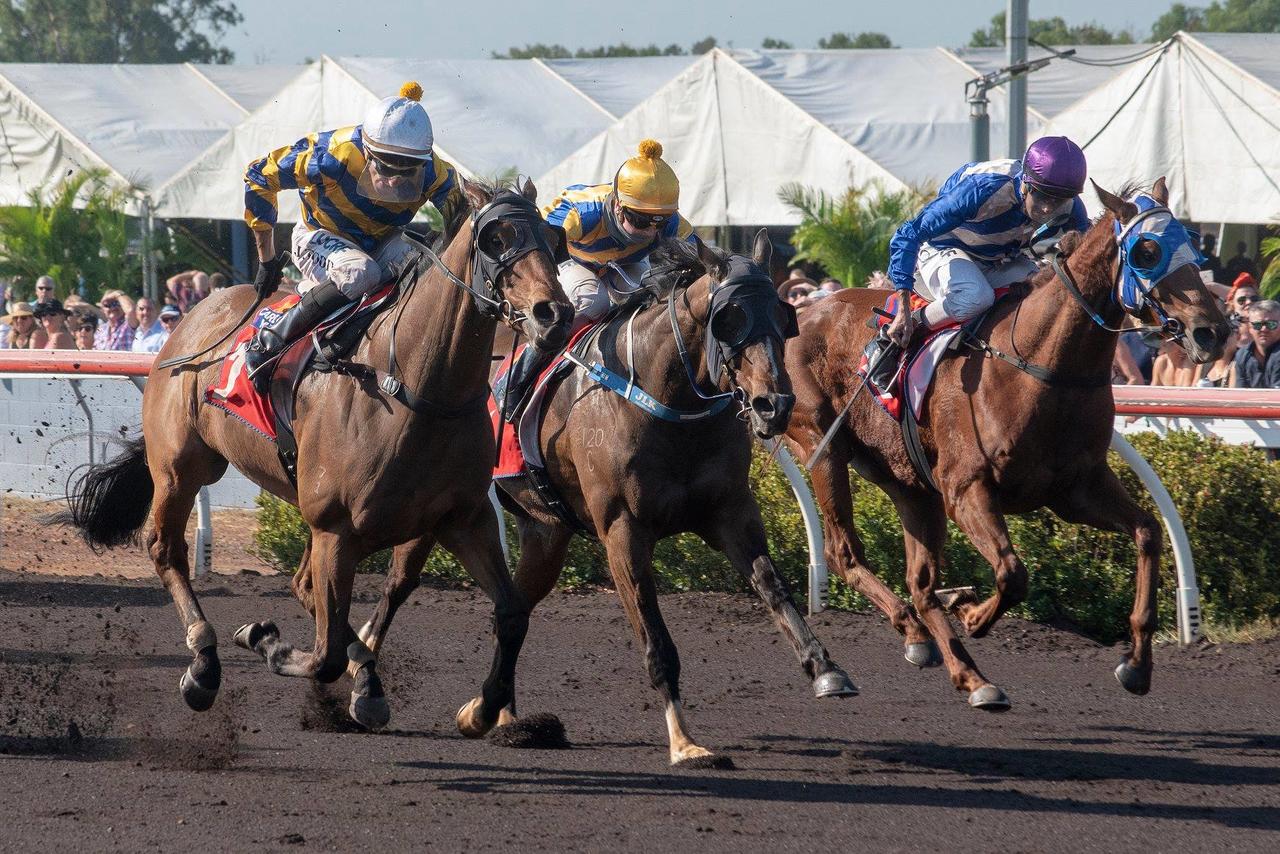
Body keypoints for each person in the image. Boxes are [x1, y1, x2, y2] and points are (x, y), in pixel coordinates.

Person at [240, 80, 463, 392]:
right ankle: (270, 340)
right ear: (367, 150)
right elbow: (259, 175)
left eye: (408, 168)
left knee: (429, 267)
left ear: (423, 160)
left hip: (383, 240)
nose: (396, 179)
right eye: (386, 166)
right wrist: (266, 259)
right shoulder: (331, 155)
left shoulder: (437, 173)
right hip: (320, 235)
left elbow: (468, 220)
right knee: (360, 272)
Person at [870, 136, 1091, 387]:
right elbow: (908, 233)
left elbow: (1087, 253)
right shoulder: (984, 188)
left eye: (1059, 199)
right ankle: (888, 339)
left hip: (996, 258)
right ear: (1027, 184)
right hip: (942, 248)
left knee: (1044, 290)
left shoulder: (1071, 206)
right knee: (976, 296)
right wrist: (903, 309)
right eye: (1043, 196)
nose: (1048, 209)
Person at [501, 139, 695, 415]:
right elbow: (537, 243)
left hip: (622, 265)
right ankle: (519, 376)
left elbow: (705, 256)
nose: (650, 231)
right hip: (570, 261)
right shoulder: (582, 212)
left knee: (655, 300)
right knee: (593, 299)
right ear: (617, 205)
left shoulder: (670, 222)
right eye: (640, 220)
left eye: (659, 222)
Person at [1231, 299, 1280, 389]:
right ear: (1250, 328)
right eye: (1258, 325)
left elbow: (1276, 397)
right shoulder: (1242, 355)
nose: (1264, 329)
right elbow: (1239, 394)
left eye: (1271, 324)